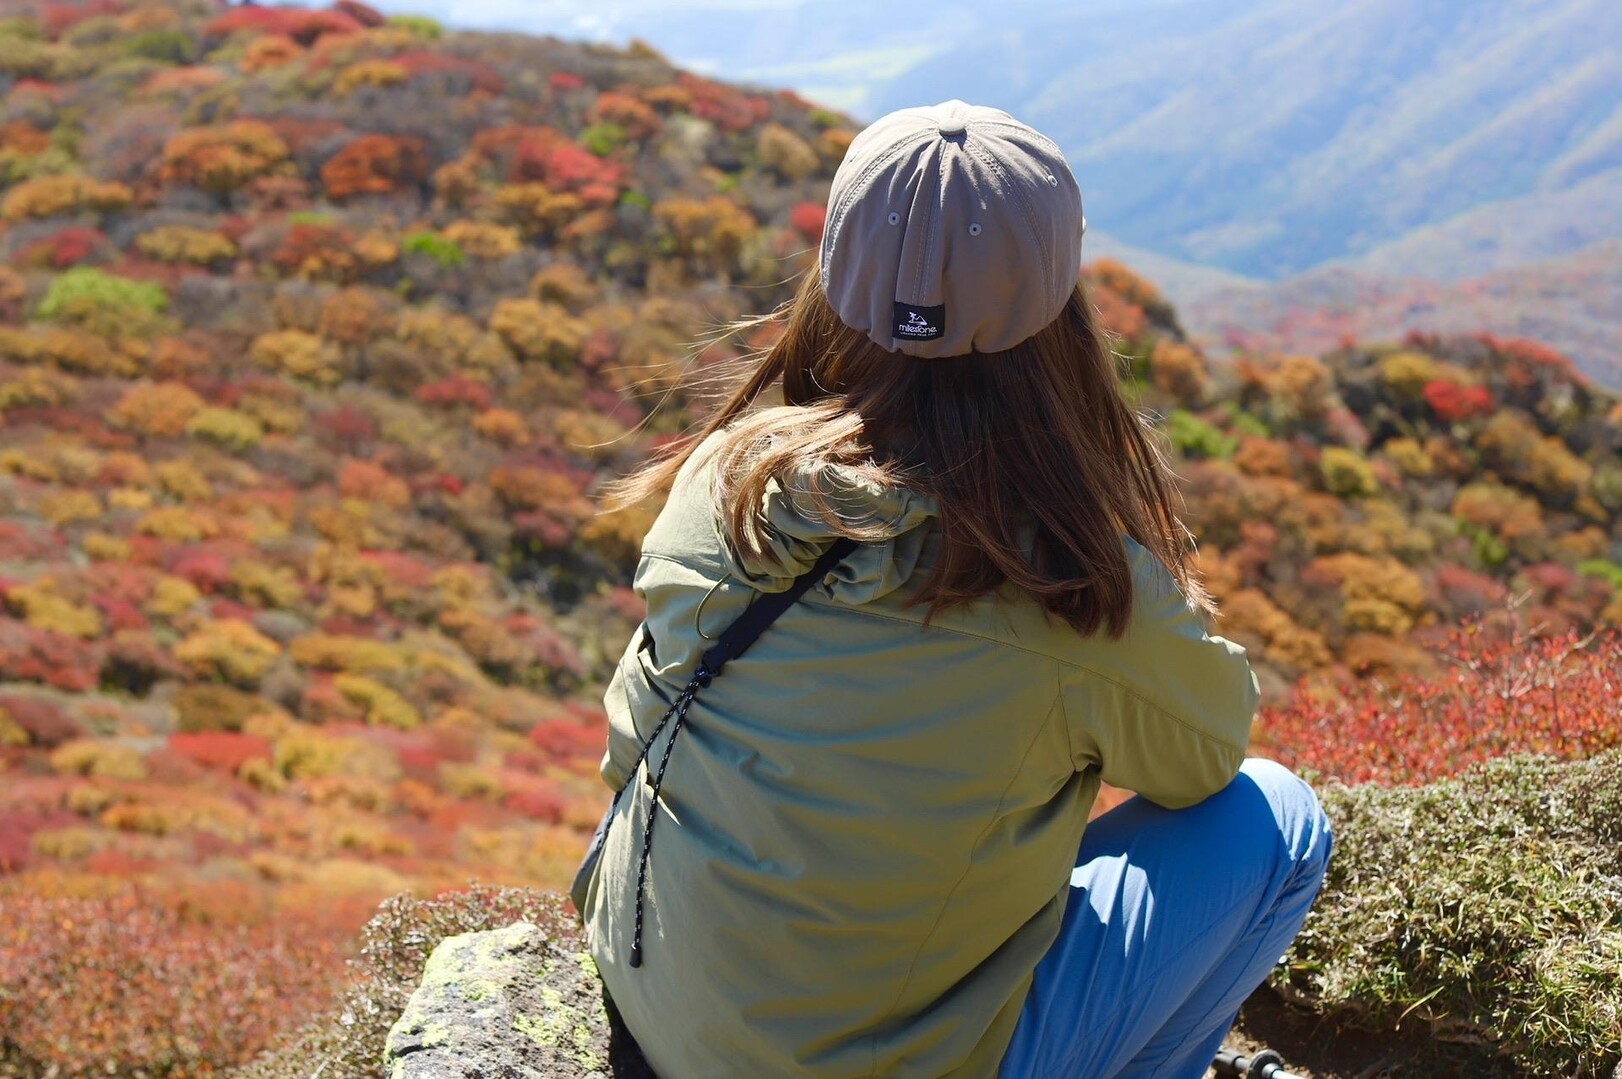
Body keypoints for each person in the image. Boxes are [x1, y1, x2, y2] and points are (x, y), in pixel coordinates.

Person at [572, 98, 1332, 1079]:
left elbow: (633, 733)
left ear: (837, 268)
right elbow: (1208, 752)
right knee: (1274, 818)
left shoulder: (730, 481)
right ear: (1059, 302)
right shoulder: (1068, 587)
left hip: (662, 1000)